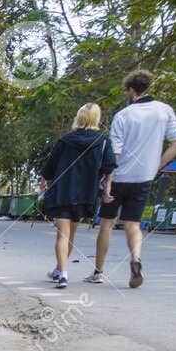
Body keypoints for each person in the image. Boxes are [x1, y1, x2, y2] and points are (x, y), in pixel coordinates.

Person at [90, 69, 176, 288]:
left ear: (131, 90)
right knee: (133, 224)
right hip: (144, 177)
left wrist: (107, 180)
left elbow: (116, 152)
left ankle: (98, 271)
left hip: (120, 176)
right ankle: (136, 258)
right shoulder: (165, 110)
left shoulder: (124, 115)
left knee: (107, 224)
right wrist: (157, 166)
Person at [38, 103, 116, 289]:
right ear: (96, 118)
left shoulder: (65, 140)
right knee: (70, 234)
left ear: (79, 117)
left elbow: (50, 165)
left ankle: (62, 273)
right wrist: (107, 190)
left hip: (62, 192)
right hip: (85, 194)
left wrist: (44, 181)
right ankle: (60, 270)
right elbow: (109, 169)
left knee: (62, 235)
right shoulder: (103, 142)